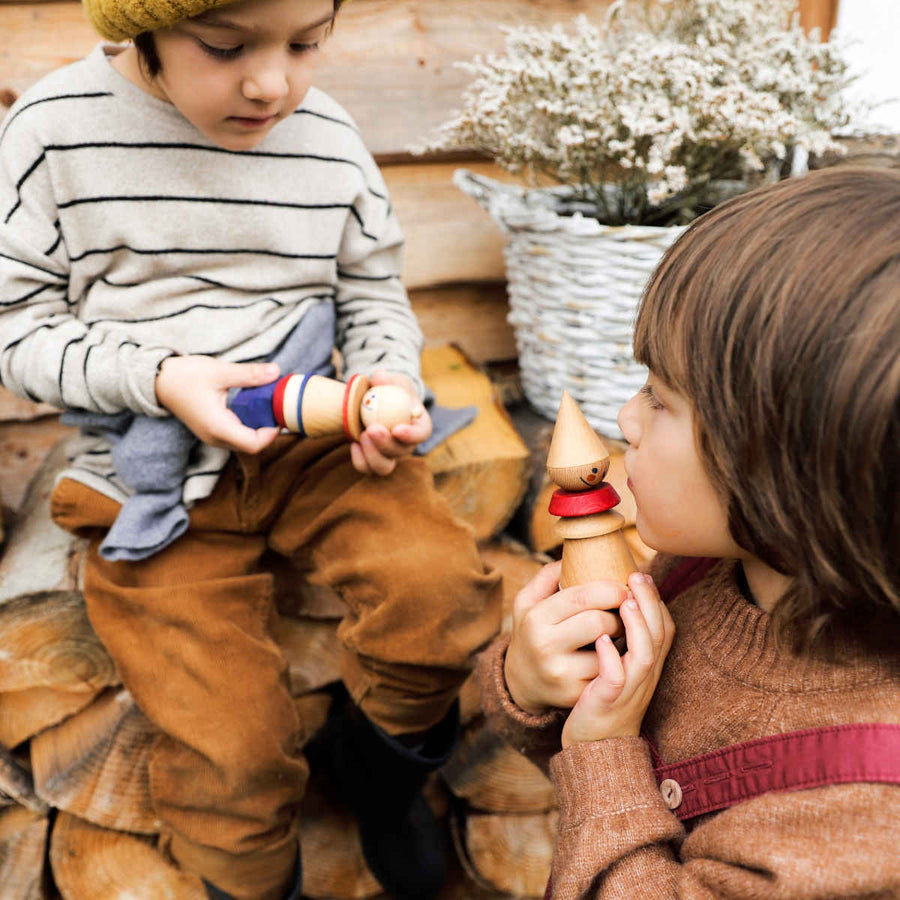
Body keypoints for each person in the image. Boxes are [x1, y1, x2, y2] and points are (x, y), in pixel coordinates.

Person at [0, 1, 502, 898]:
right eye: (225, 47)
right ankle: (254, 880)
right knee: (228, 750)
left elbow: (371, 293)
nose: (272, 83)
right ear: (145, 28)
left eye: (307, 44)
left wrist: (386, 384)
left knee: (438, 596)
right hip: (153, 476)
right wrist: (160, 378)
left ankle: (378, 777)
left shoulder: (326, 137)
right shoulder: (54, 131)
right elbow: (16, 329)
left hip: (315, 443)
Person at [479, 167, 900, 898]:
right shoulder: (705, 567)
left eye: (660, 397)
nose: (626, 419)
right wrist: (533, 685)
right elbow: (587, 724)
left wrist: (603, 756)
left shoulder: (865, 813)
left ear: (785, 464)